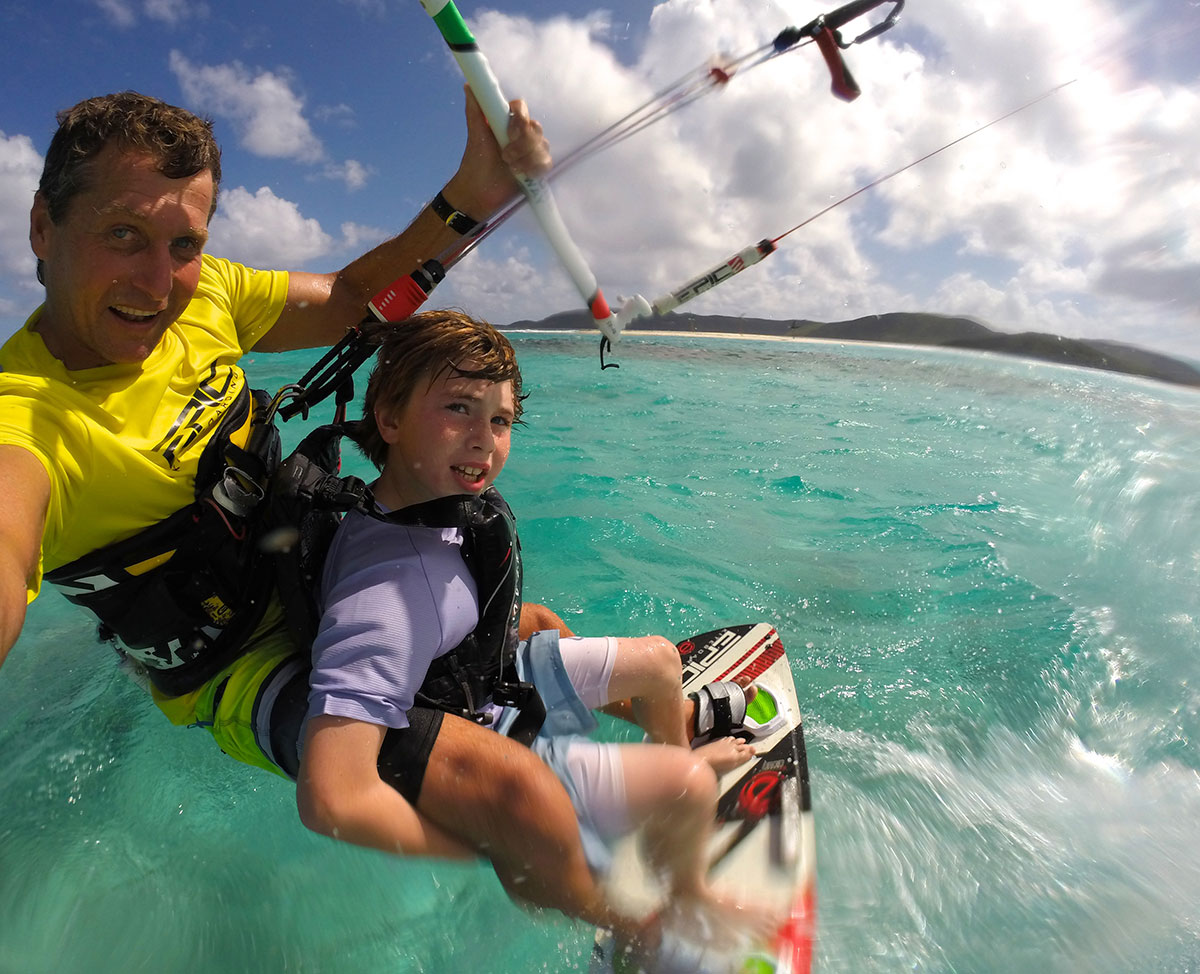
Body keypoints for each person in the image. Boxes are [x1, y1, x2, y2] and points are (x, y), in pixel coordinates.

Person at [0, 91, 757, 964]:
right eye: (122, 234)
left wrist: (474, 188)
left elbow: (359, 296)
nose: (156, 282)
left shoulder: (205, 297)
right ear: (41, 227)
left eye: (183, 244)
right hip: (250, 672)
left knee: (534, 627)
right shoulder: (26, 425)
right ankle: (630, 925)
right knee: (503, 790)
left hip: (327, 582)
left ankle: (631, 769)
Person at [296, 310, 765, 971]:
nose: (485, 440)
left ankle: (669, 757)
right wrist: (492, 848)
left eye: (500, 419)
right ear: (389, 419)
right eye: (458, 408)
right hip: (484, 729)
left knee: (660, 661)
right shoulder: (388, 596)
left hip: (484, 676)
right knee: (688, 784)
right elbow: (333, 796)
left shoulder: (421, 502)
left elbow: (464, 616)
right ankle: (664, 910)